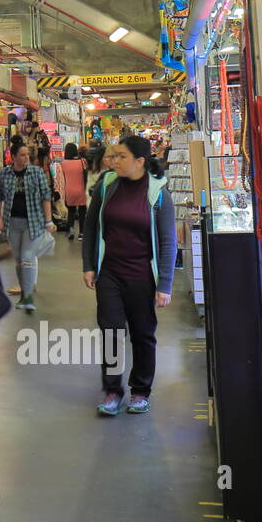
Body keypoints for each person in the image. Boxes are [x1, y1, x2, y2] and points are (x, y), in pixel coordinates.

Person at [80, 135, 176, 417]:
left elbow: (168, 241)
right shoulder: (106, 186)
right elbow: (91, 227)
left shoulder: (159, 193)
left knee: (143, 335)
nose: (114, 161)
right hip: (109, 272)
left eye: (121, 156)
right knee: (111, 330)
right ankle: (112, 390)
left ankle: (140, 391)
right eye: (114, 156)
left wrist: (165, 284)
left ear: (140, 161)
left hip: (143, 275)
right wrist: (88, 264)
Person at [0, 141, 54, 312]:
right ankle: (24, 293)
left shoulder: (36, 172)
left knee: (27, 257)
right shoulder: (4, 174)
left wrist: (49, 221)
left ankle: (27, 297)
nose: (26, 158)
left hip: (33, 223)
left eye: (28, 154)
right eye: (22, 155)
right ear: (13, 157)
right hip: (12, 223)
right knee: (19, 260)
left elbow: (46, 196)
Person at [57, 143, 89, 241]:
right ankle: (82, 233)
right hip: (81, 190)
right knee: (82, 212)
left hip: (69, 190)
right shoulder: (82, 161)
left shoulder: (63, 163)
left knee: (71, 211)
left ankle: (70, 230)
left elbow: (62, 178)